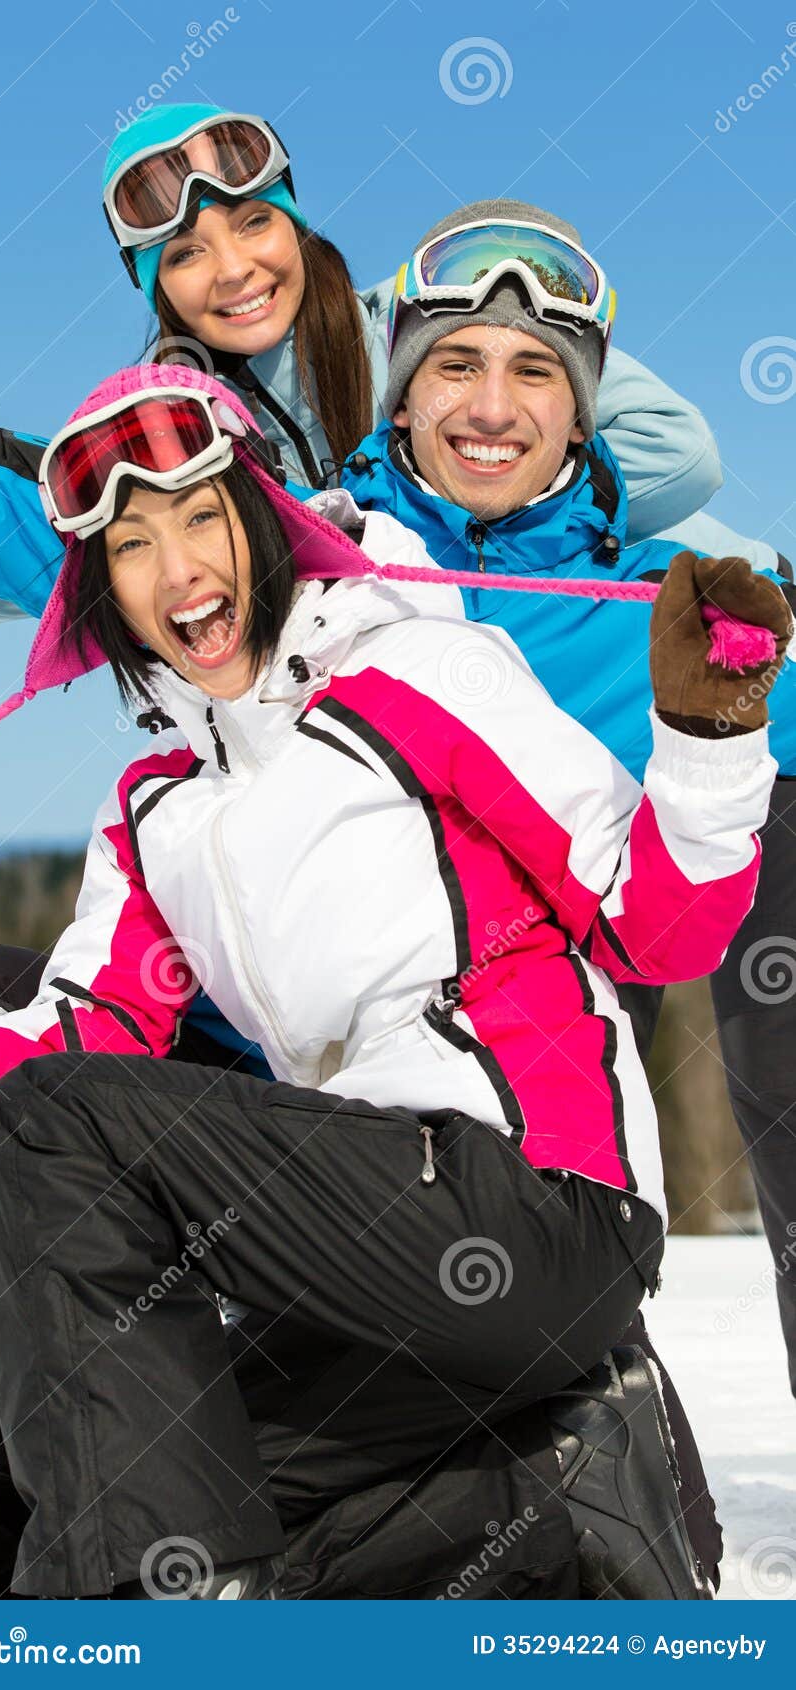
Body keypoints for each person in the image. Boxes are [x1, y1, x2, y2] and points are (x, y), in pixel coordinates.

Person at [0, 110, 747, 1590]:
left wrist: (712, 733)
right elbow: (16, 520)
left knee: (67, 1136)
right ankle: (551, 1472)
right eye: (131, 547)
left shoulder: (442, 646)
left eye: (529, 379)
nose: (175, 568)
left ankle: (142, 1625)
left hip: (515, 1172)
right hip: (314, 1160)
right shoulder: (162, 797)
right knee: (122, 1452)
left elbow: (658, 912)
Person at [340, 199, 796, 1399]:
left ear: (584, 414)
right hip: (449, 986)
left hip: (697, 862)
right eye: (456, 364)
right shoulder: (323, 572)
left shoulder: (650, 600)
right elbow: (48, 520)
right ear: (398, 398)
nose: (494, 407)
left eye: (536, 371)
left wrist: (751, 665)